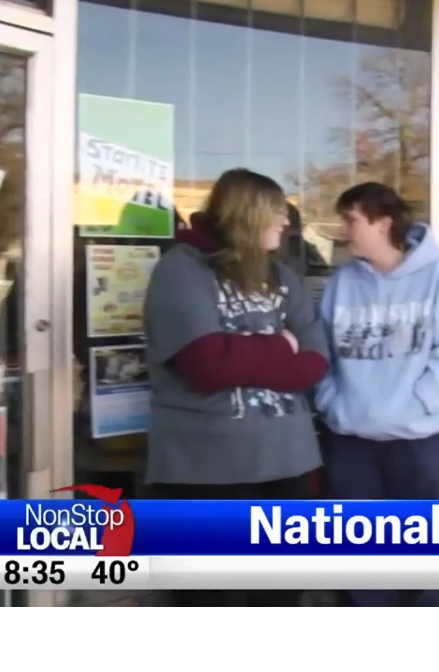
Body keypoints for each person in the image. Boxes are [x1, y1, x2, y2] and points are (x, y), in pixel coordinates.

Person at [143, 168, 329, 608]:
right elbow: (206, 364)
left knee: (282, 594)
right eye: (277, 213)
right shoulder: (182, 268)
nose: (286, 224)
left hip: (290, 464)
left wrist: (245, 351)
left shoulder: (283, 275)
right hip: (208, 470)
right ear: (247, 214)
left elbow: (315, 361)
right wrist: (281, 346)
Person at [315, 181, 439, 608]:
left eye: (351, 219)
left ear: (383, 221)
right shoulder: (342, 282)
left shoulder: (438, 274)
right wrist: (334, 404)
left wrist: (415, 406)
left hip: (423, 443)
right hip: (352, 444)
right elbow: (321, 354)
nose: (343, 229)